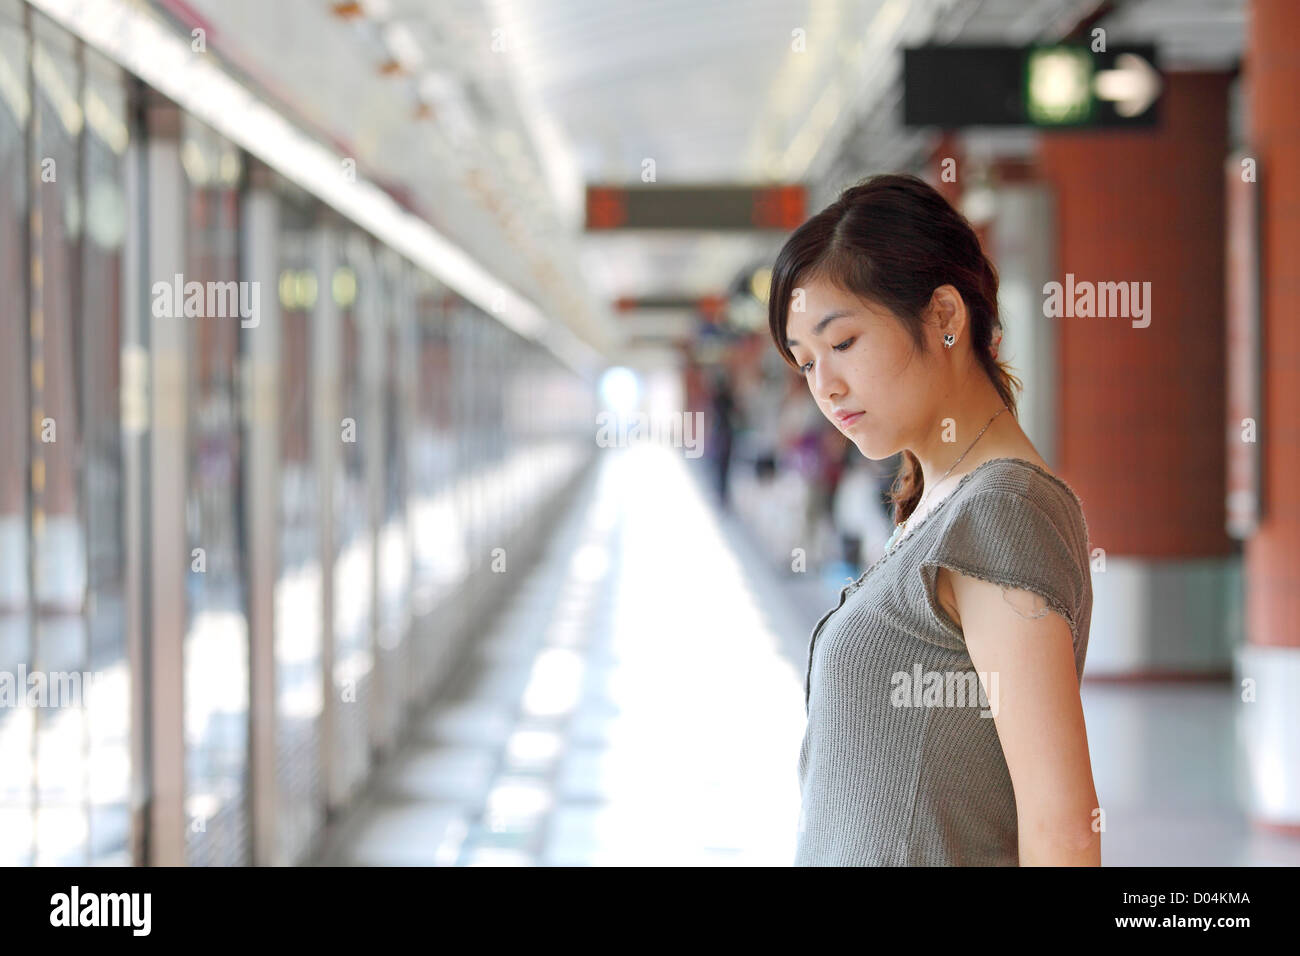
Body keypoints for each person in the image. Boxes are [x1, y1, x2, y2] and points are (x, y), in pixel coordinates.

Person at [768, 173, 1098, 866]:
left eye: (844, 342)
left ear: (945, 316)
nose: (824, 386)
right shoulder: (937, 498)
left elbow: (1062, 829)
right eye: (805, 363)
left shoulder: (1002, 510)